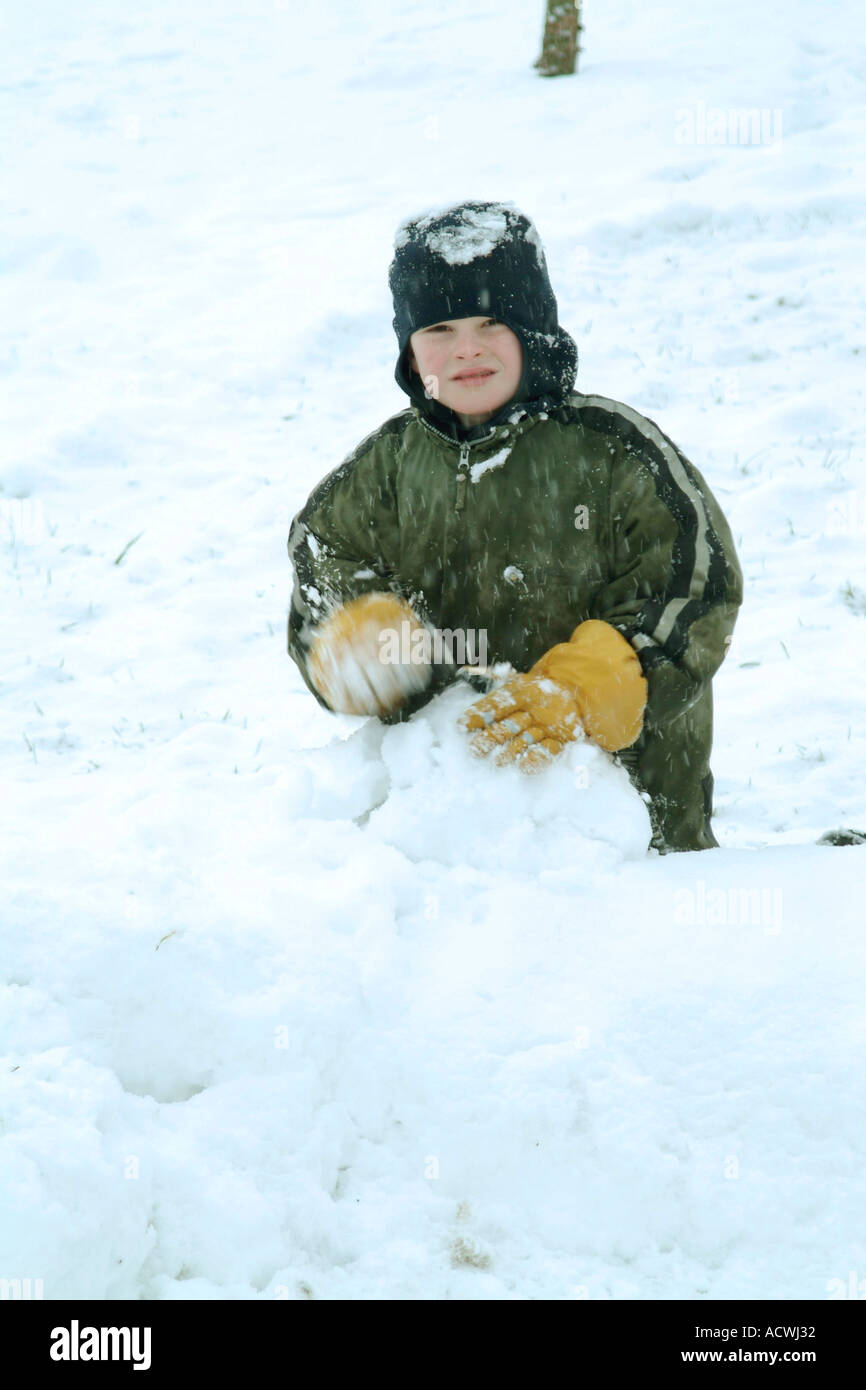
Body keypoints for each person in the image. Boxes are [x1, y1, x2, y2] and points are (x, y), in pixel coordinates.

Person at [286, 200, 744, 853]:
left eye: (492, 322)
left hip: (633, 817)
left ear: (536, 330)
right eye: (439, 329)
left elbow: (696, 586)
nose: (466, 347)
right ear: (412, 354)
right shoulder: (383, 472)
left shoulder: (613, 452)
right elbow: (324, 560)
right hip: (449, 825)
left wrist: (592, 685)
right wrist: (352, 636)